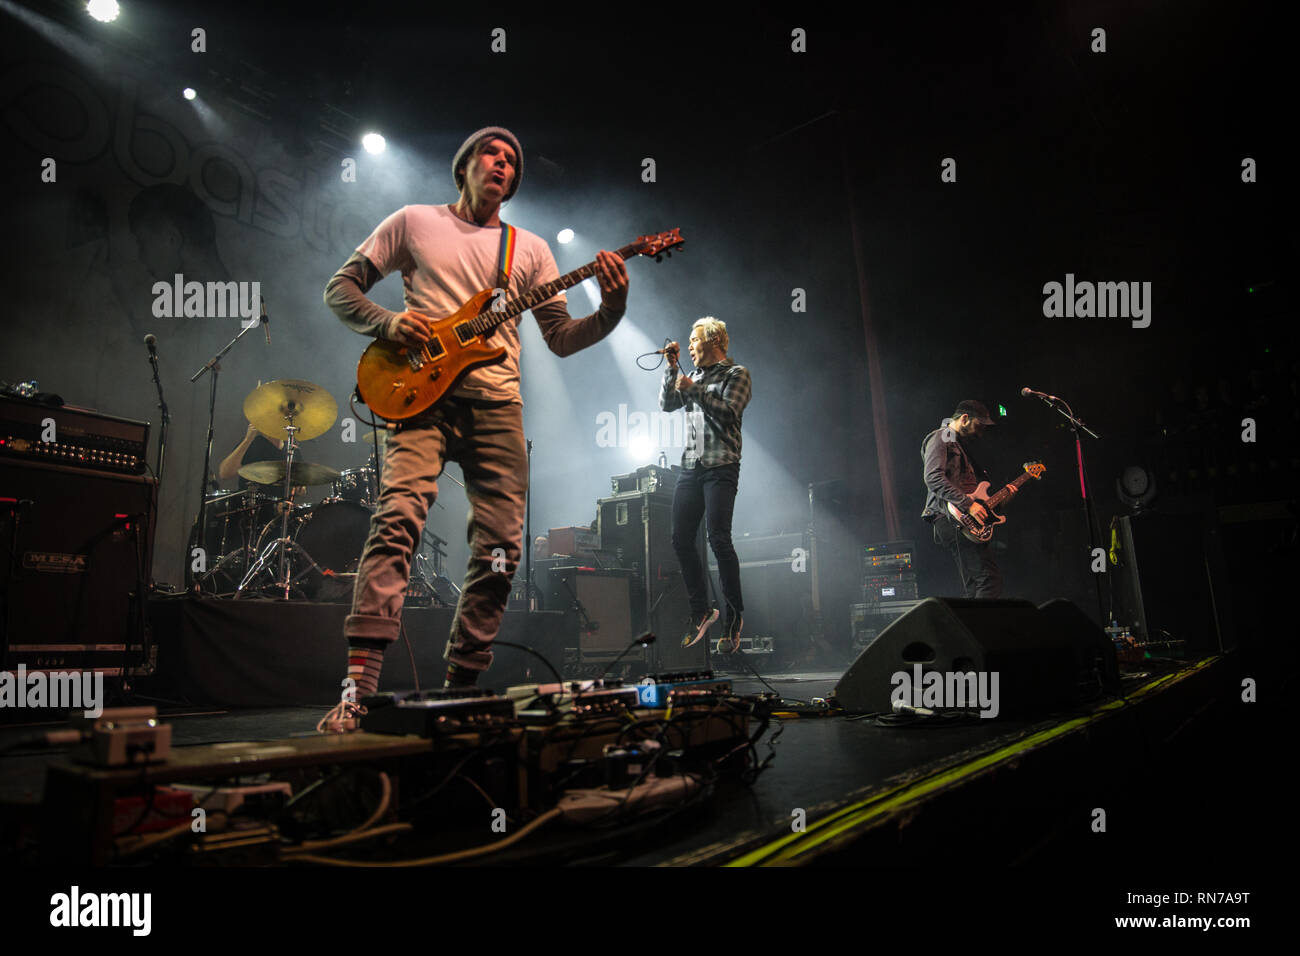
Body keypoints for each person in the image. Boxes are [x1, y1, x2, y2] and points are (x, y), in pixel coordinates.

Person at [318, 127, 629, 730]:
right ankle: (356, 691)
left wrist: (611, 311)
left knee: (501, 551)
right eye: (494, 153)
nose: (504, 165)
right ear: (465, 164)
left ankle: (459, 689)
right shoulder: (412, 221)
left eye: (513, 160)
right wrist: (386, 322)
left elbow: (561, 340)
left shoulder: (530, 249)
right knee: (397, 519)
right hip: (420, 399)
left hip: (497, 407)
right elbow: (341, 288)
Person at [659, 318, 751, 653]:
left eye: (693, 340)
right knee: (680, 539)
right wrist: (671, 368)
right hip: (691, 465)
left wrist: (693, 389)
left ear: (711, 341)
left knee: (719, 539)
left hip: (722, 466)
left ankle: (733, 617)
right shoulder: (692, 376)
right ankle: (702, 611)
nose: (689, 347)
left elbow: (728, 412)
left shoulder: (736, 374)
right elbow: (667, 404)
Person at [921, 400, 1004, 598]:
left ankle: (969, 626)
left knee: (975, 586)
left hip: (961, 518)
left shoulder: (958, 444)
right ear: (965, 418)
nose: (981, 433)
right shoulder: (941, 437)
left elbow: (971, 492)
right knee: (988, 580)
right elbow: (932, 477)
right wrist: (969, 505)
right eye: (979, 426)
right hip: (951, 517)